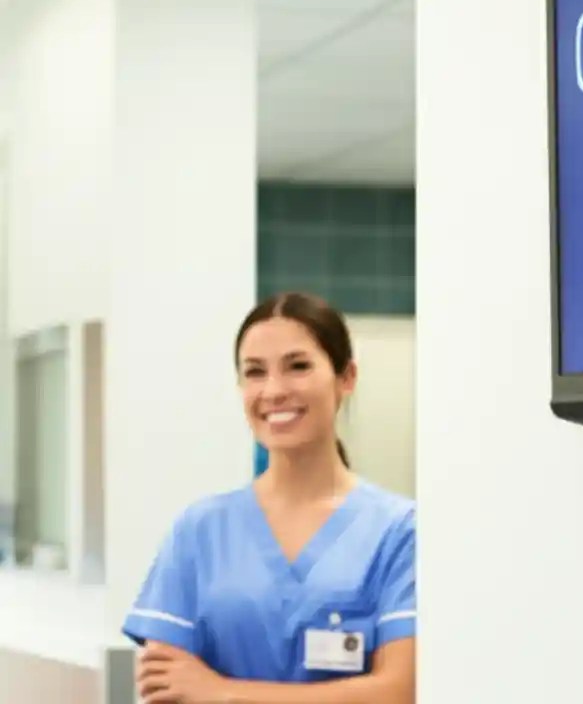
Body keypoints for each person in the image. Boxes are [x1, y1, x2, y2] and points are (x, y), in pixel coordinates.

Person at [122, 292, 416, 703]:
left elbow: (400, 692)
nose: (274, 390)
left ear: (346, 377)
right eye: (255, 372)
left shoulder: (400, 532)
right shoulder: (200, 530)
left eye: (298, 366)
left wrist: (222, 693)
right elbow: (167, 688)